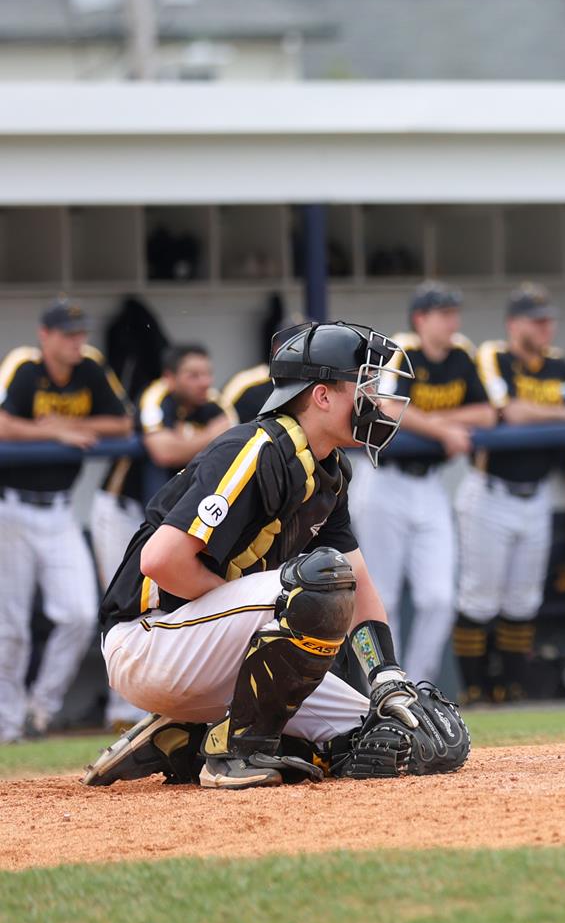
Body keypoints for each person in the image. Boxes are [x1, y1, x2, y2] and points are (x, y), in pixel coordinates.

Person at [83, 321, 468, 789]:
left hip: (213, 652)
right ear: (322, 396)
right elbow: (160, 561)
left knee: (391, 739)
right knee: (318, 585)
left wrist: (385, 674)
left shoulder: (328, 470)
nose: (374, 400)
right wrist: (261, 610)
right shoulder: (257, 447)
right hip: (149, 640)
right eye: (362, 385)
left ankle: (186, 736)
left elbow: (361, 587)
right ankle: (231, 752)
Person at [458, 284, 565, 703]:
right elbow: (509, 411)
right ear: (514, 323)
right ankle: (475, 691)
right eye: (536, 320)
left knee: (523, 601)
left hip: (536, 495)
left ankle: (512, 691)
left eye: (548, 319)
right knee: (479, 598)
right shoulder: (494, 355)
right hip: (491, 491)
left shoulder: (558, 363)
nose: (546, 327)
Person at [351, 284, 495, 688]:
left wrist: (434, 424)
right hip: (384, 482)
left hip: (429, 485)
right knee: (386, 599)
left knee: (438, 598)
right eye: (442, 313)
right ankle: (381, 688)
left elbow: (486, 413)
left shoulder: (461, 354)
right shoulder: (402, 350)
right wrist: (444, 430)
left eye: (454, 312)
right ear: (420, 318)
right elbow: (386, 404)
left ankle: (416, 688)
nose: (451, 321)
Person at [0, 298, 131, 742]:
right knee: (11, 626)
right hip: (11, 509)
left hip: (58, 510)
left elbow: (123, 424)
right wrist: (55, 429)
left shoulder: (90, 367)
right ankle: (8, 723)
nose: (78, 342)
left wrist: (69, 422)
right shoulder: (24, 367)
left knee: (78, 613)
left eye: (80, 333)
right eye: (68, 334)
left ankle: (41, 708)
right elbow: (1, 424)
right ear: (45, 335)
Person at [89, 342, 231, 727]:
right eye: (193, 375)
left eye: (207, 373)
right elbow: (163, 451)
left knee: (164, 604)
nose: (204, 382)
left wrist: (202, 440)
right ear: (171, 377)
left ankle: (152, 709)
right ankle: (119, 712)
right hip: (120, 511)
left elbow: (230, 447)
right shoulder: (157, 396)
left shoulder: (215, 405)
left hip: (167, 521)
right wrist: (208, 439)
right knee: (122, 603)